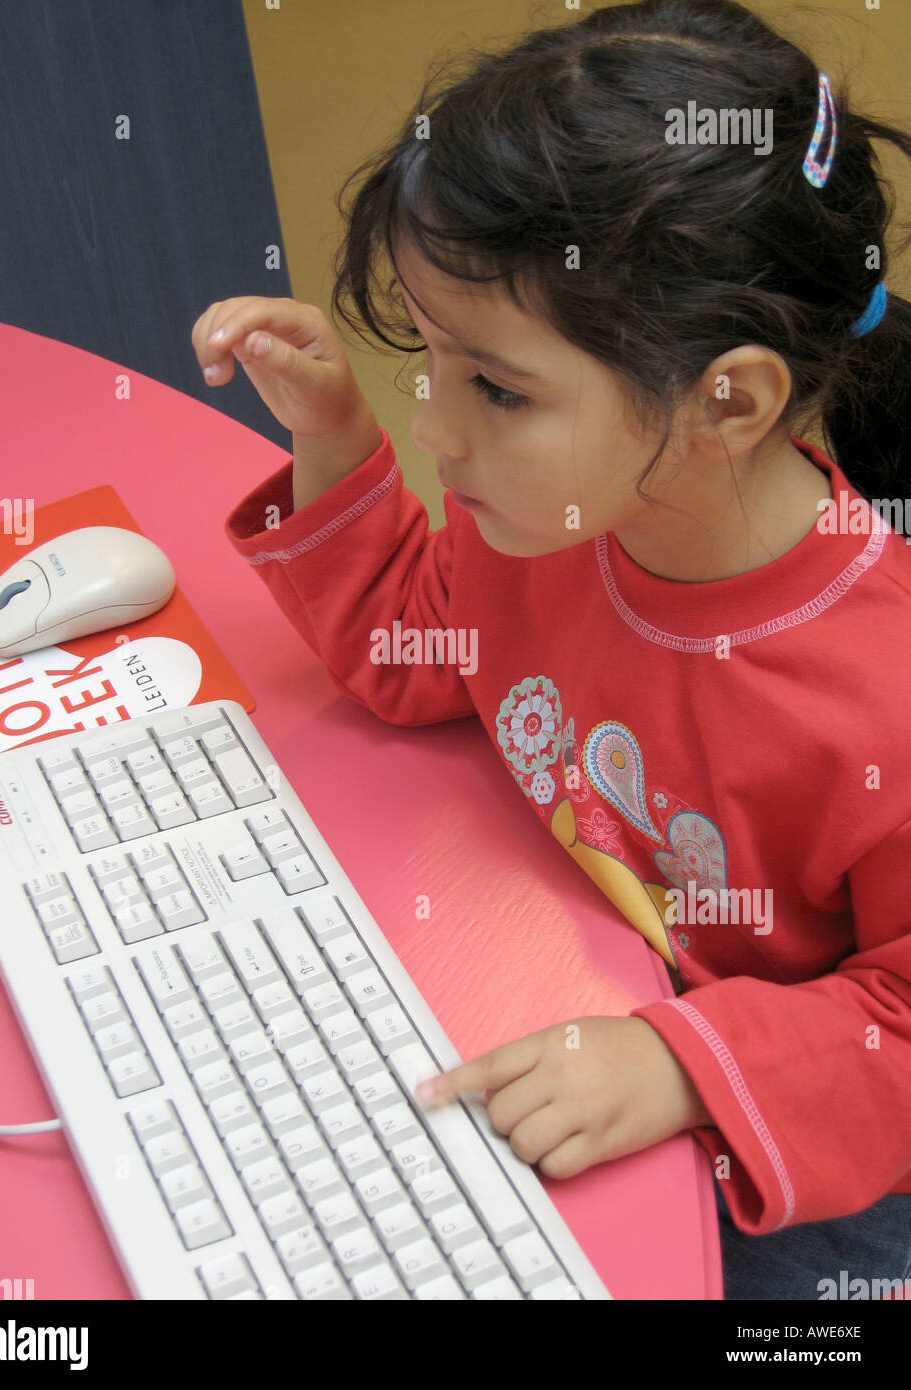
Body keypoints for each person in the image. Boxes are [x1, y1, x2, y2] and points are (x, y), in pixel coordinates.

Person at [192, 0, 911, 1300]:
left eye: (499, 389)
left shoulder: (884, 699)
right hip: (560, 989)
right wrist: (339, 438)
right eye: (428, 363)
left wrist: (684, 1063)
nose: (443, 437)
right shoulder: (560, 529)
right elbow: (424, 647)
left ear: (724, 400)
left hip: (800, 1125)